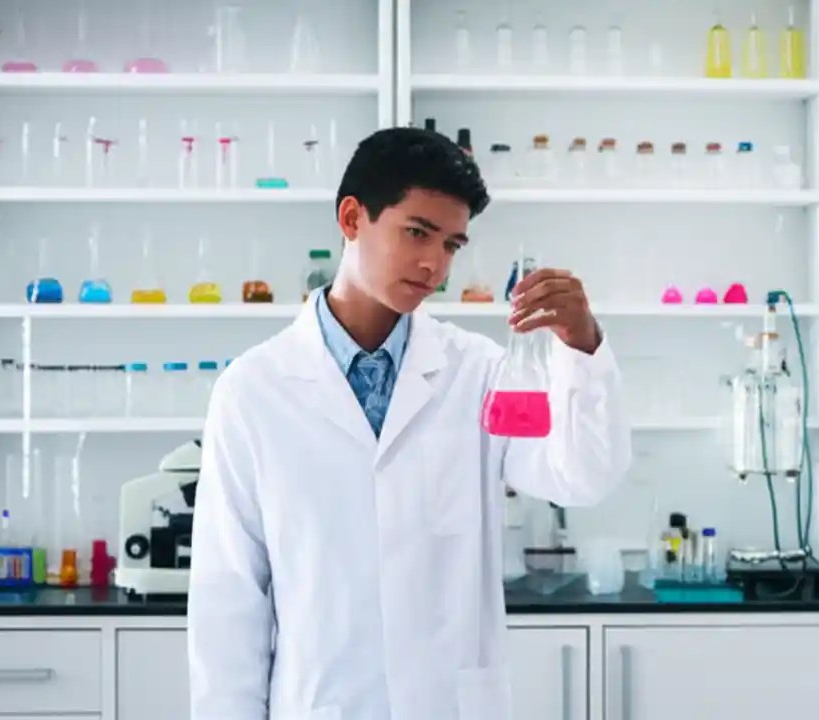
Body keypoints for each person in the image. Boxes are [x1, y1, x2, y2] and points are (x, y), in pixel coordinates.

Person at [188, 127, 631, 720]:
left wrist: (581, 346)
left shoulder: (477, 373)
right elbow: (228, 604)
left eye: (452, 244)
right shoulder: (253, 391)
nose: (435, 265)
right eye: (417, 232)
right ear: (352, 217)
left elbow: (582, 478)